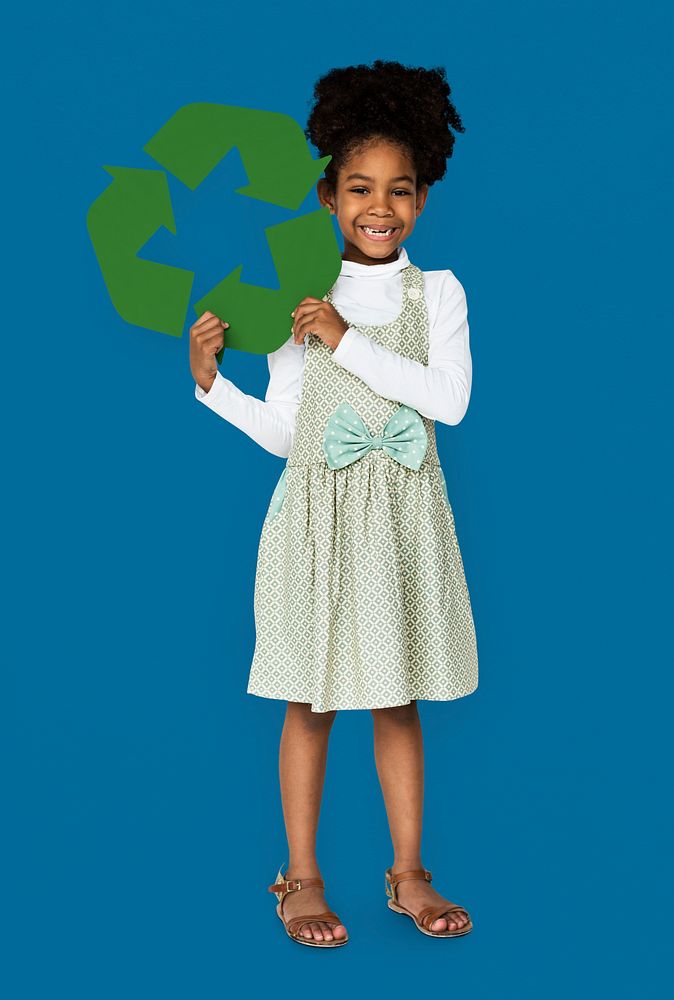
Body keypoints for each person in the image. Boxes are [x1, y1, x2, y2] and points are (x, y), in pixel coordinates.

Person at [190, 59, 478, 948]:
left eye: (399, 189)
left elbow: (450, 401)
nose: (379, 207)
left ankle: (408, 873)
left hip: (401, 522)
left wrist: (347, 340)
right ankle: (301, 877)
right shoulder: (293, 297)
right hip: (318, 525)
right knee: (309, 701)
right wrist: (213, 386)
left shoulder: (441, 293)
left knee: (397, 700)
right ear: (326, 195)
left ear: (422, 199)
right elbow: (290, 433)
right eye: (359, 188)